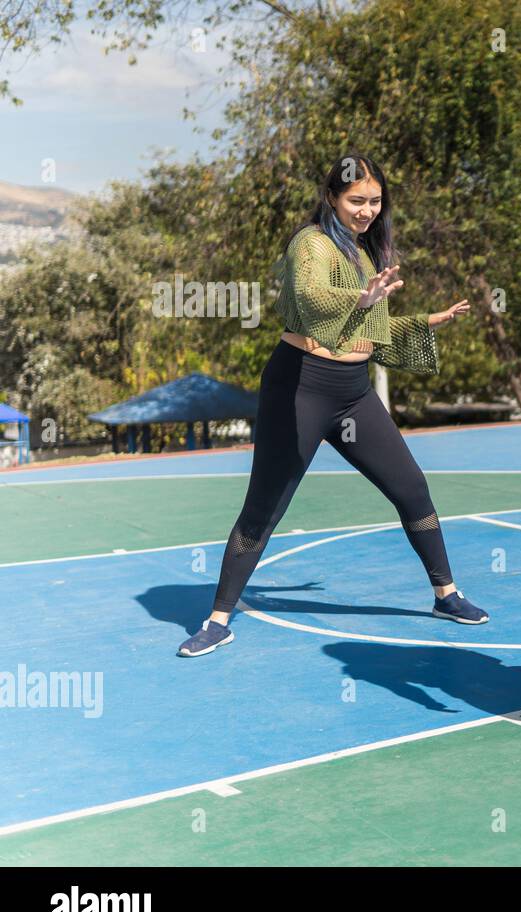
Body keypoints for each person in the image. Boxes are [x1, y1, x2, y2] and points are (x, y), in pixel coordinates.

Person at [179, 153, 488, 658]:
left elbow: (367, 335)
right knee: (264, 507)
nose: (367, 210)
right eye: (356, 200)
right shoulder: (311, 243)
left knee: (411, 485)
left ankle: (445, 595)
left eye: (375, 201)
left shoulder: (365, 256)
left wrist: (424, 321)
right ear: (332, 199)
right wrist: (359, 302)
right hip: (300, 387)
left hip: (353, 392)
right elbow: (310, 296)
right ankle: (217, 620)